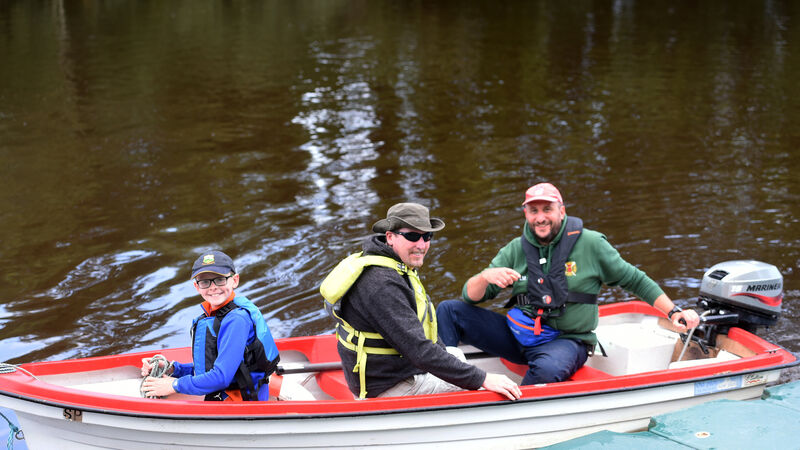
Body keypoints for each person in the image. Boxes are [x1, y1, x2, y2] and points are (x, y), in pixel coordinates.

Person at [436, 183, 701, 386]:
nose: (541, 217)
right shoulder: (516, 249)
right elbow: (469, 297)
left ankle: (512, 415)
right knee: (449, 310)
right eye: (534, 210)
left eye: (547, 209)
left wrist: (674, 311)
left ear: (561, 211)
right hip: (520, 335)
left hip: (567, 341)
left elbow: (635, 279)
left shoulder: (592, 244)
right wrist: (484, 277)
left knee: (548, 369)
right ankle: (445, 382)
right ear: (526, 213)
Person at [320, 202, 521, 400]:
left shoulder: (394, 264)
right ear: (390, 237)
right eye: (413, 236)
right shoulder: (382, 283)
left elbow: (422, 343)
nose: (422, 245)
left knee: (455, 355)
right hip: (388, 387)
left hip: (392, 371)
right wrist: (483, 379)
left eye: (427, 236)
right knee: (483, 388)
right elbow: (420, 352)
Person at [140, 250, 280, 401]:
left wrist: (174, 385)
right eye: (205, 282)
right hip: (227, 392)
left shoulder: (236, 320)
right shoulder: (217, 315)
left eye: (220, 279)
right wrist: (173, 369)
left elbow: (220, 377)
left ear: (234, 280)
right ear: (197, 287)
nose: (212, 287)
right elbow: (210, 368)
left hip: (242, 403)